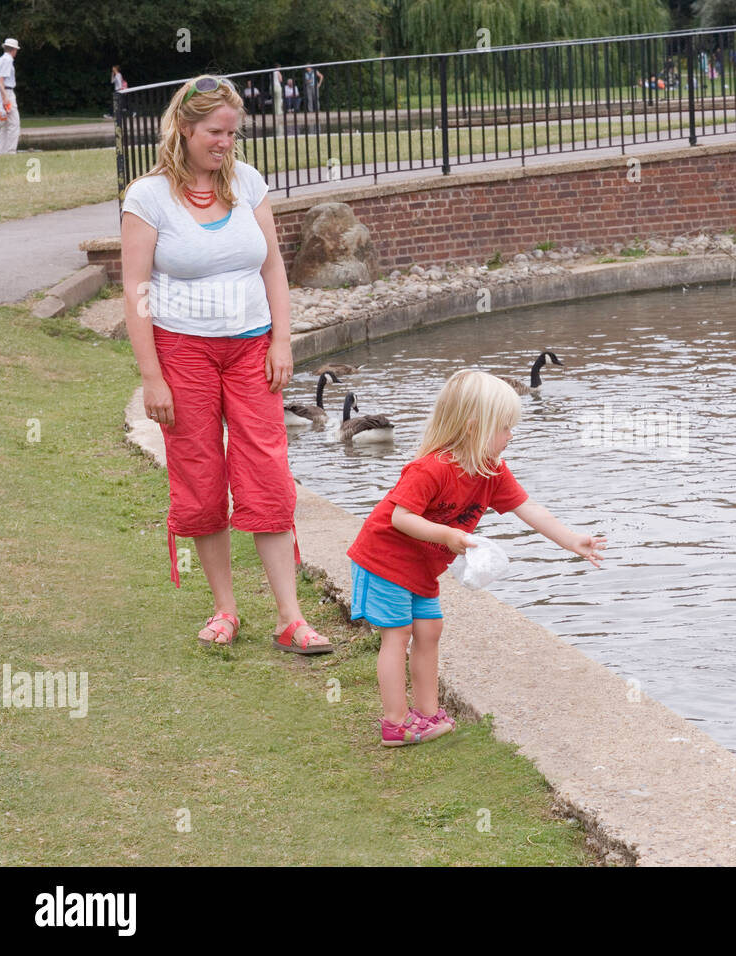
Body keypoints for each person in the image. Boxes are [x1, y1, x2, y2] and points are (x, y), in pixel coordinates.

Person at [120, 75, 332, 655]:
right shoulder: (148, 197)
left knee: (266, 472)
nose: (225, 143)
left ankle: (291, 619)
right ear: (184, 129)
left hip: (251, 348)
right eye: (215, 132)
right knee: (200, 474)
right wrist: (151, 375)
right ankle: (225, 610)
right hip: (182, 351)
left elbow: (273, 270)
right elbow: (135, 290)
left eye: (232, 133)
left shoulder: (247, 181)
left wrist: (282, 341)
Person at [346, 369, 606, 746]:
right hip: (384, 559)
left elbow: (529, 507)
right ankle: (396, 723)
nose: (511, 435)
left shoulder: (491, 472)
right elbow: (401, 518)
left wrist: (571, 540)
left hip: (422, 567)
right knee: (397, 634)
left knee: (430, 630)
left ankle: (427, 712)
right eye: (504, 427)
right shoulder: (429, 469)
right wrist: (449, 535)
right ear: (473, 428)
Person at [0, 38, 17, 154]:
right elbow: (1, 79)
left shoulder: (0, 60)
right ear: (14, 50)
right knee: (14, 123)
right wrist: (5, 97)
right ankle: (11, 151)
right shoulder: (7, 60)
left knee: (4, 124)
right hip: (7, 92)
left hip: (1, 93)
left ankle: (2, 152)